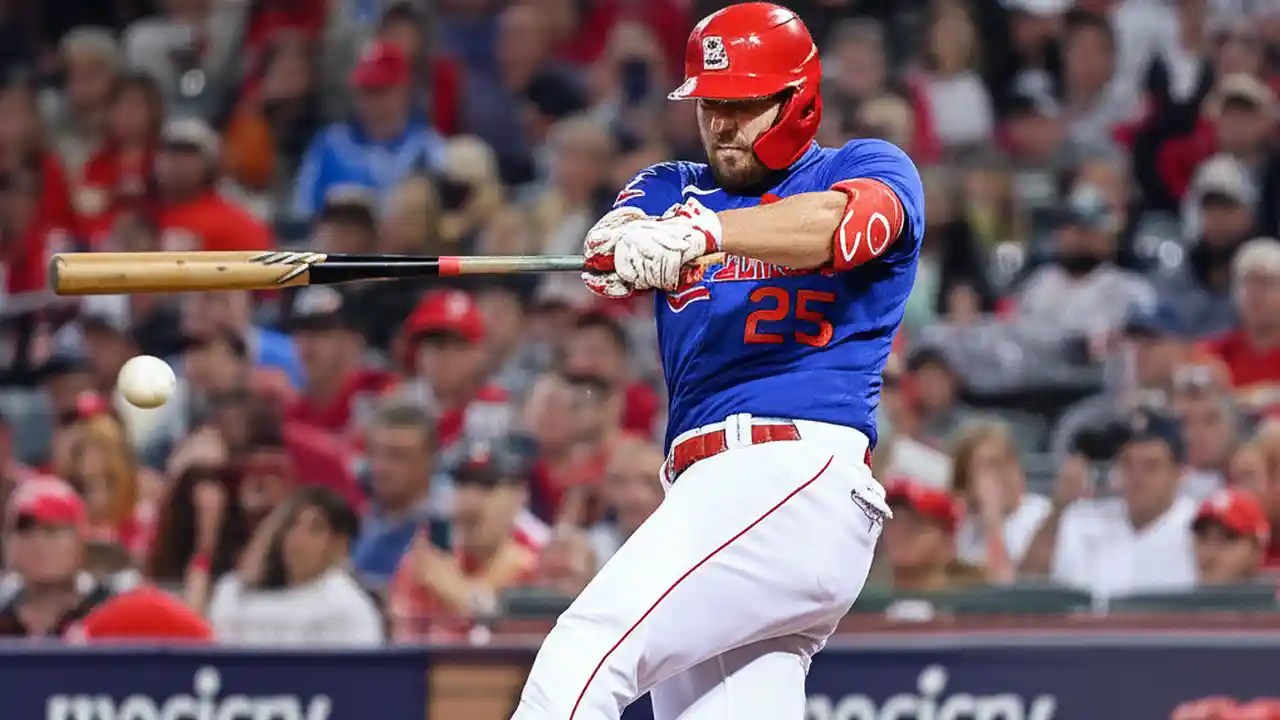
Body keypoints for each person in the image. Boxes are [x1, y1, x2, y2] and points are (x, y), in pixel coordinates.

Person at [513, 4, 918, 717]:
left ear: (798, 99)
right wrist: (623, 244)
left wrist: (708, 235)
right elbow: (627, 229)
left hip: (792, 470)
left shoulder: (865, 165)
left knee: (586, 651)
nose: (722, 122)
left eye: (742, 104)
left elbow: (843, 224)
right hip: (714, 492)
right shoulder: (673, 185)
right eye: (710, 105)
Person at [1021, 409, 1198, 597]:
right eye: (1127, 464)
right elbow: (1028, 581)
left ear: (1179, 474)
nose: (1137, 477)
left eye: (1150, 466)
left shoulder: (1200, 524)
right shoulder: (1086, 518)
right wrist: (1059, 506)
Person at [208, 486, 383, 646]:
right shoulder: (236, 594)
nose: (298, 538)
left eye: (315, 529)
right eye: (292, 525)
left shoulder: (347, 606)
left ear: (339, 544)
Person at [1191, 488, 1270, 585]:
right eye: (1202, 539)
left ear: (1256, 549)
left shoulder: (1274, 598)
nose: (1210, 554)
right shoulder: (1176, 597)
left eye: (1227, 539)